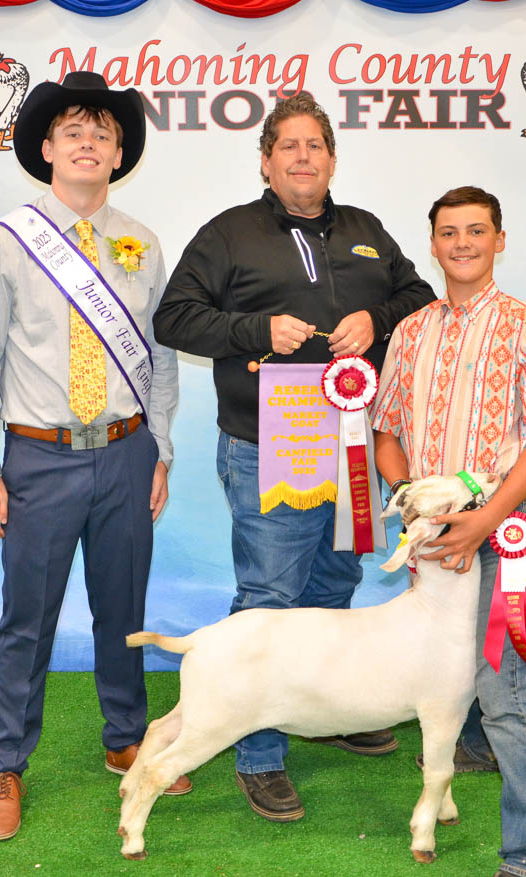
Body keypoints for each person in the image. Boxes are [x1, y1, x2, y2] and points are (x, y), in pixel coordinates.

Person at [152, 91, 435, 822]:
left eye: (315, 145)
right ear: (267, 161)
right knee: (270, 598)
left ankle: (330, 710)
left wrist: (377, 316)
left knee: (333, 583)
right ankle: (259, 752)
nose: (303, 157)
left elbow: (421, 296)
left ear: (332, 158)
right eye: (289, 146)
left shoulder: (367, 230)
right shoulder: (229, 234)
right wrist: (253, 330)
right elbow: (174, 316)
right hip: (263, 445)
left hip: (352, 445)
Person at [0, 72, 188, 843]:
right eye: (74, 131)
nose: (89, 142)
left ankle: (125, 736)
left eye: (103, 133)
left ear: (120, 152)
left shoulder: (143, 241)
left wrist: (159, 449)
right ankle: (6, 761)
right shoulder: (7, 240)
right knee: (29, 619)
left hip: (125, 453)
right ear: (47, 149)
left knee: (122, 608)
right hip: (39, 459)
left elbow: (160, 357)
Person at [372, 186, 526, 877]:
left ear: (499, 240)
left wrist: (485, 519)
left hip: (498, 535)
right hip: (431, 538)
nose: (462, 242)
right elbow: (387, 435)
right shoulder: (411, 331)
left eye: (476, 231)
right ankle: (448, 800)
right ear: (431, 243)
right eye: (449, 232)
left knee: (505, 693)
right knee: (439, 678)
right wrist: (412, 508)